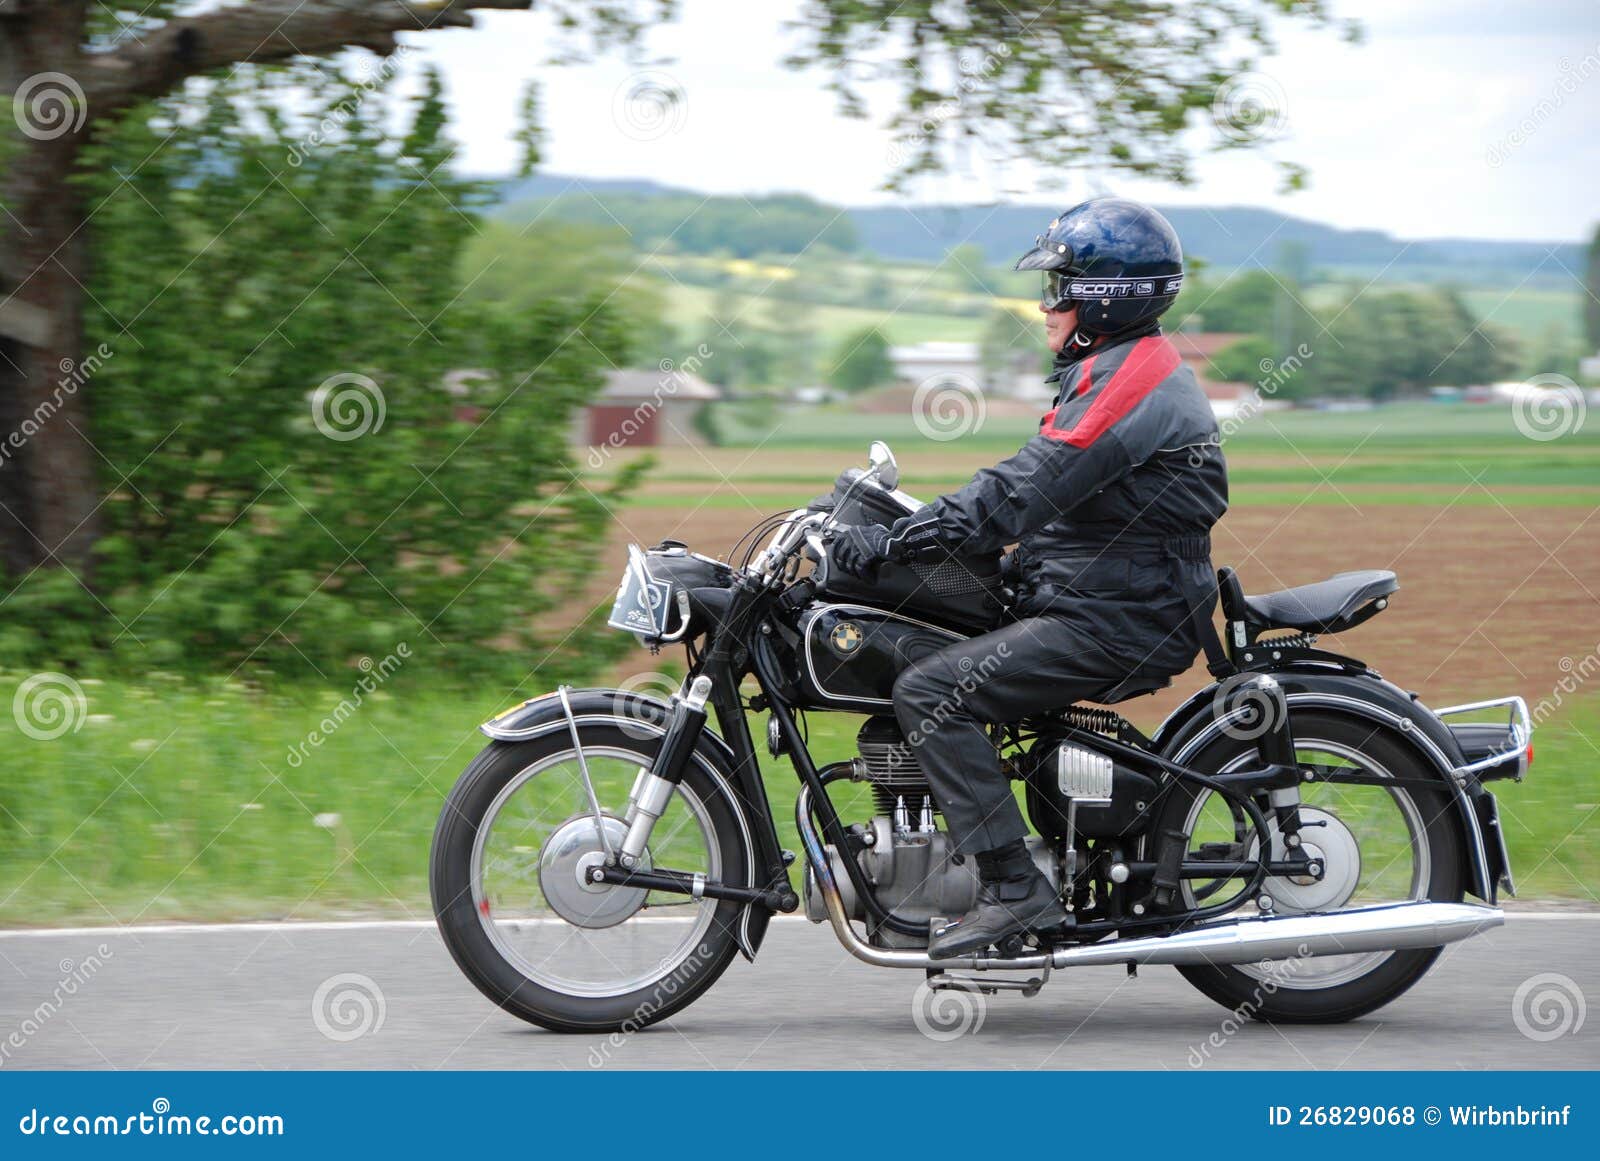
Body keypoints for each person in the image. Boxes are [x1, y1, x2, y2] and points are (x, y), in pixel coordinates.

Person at [830, 197, 1229, 959]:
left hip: (1121, 616)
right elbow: (1043, 501)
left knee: (930, 693)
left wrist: (893, 541)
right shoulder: (1115, 367)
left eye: (1061, 288)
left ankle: (1014, 889)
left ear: (1107, 296)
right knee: (927, 643)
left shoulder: (1130, 382)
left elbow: (1016, 495)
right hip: (1099, 595)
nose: (1046, 307)